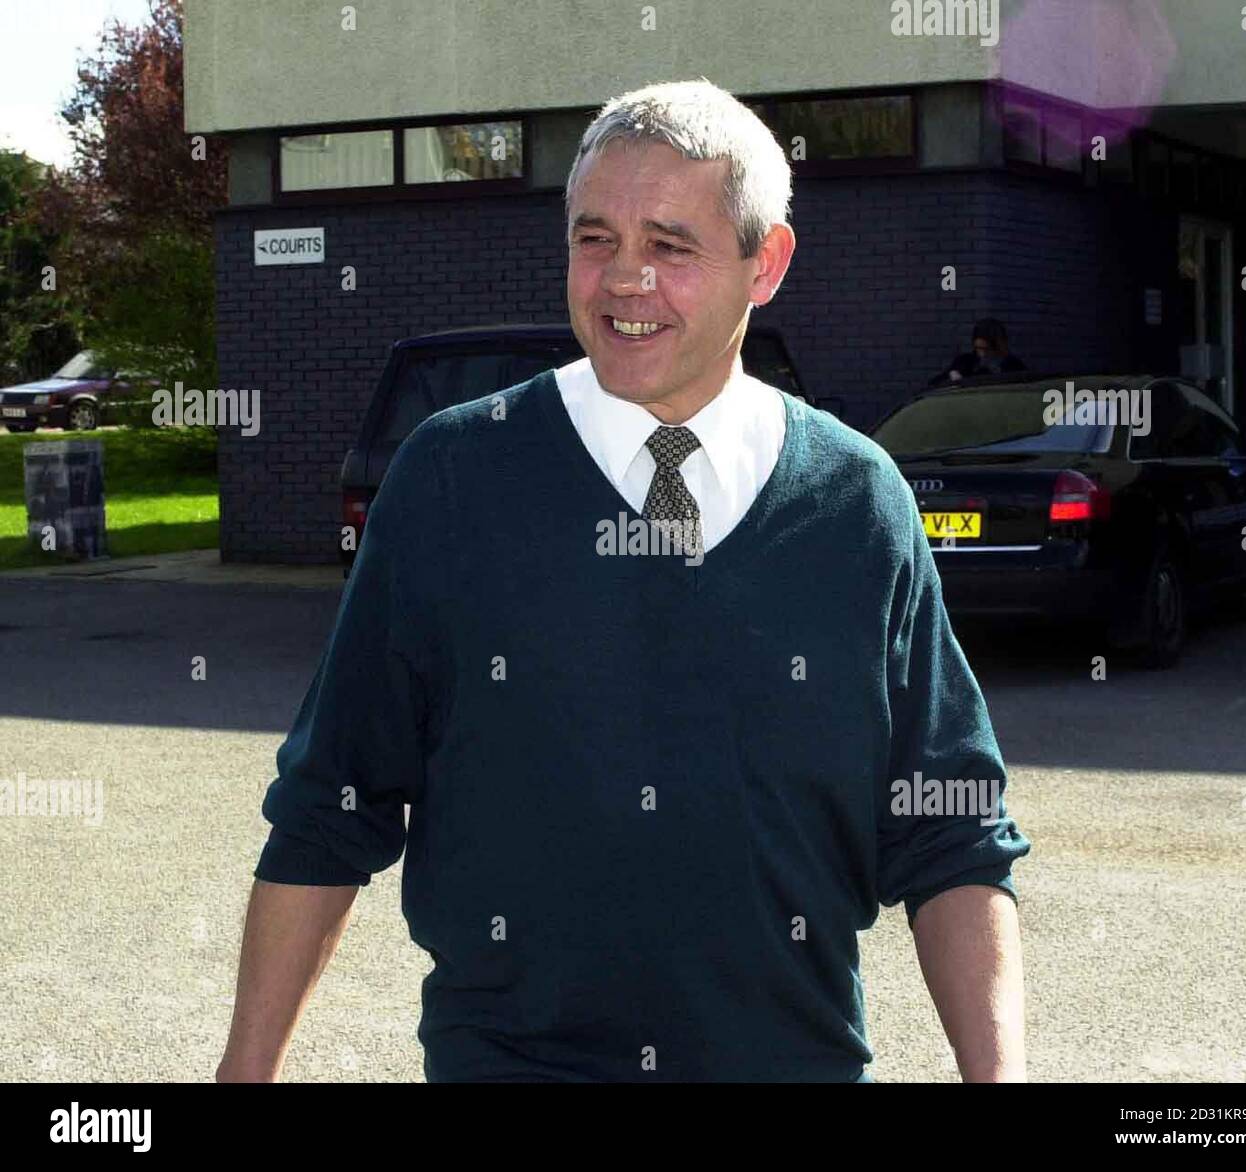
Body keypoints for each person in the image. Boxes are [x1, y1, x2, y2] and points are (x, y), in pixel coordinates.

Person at [217, 80, 1030, 1084]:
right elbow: (331, 798)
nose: (624, 281)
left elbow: (950, 828)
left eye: (672, 246)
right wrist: (242, 1072)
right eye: (595, 239)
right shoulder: (454, 478)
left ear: (764, 262)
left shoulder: (857, 501)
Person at [931, 318, 1029, 386]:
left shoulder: (1014, 365)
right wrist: (951, 376)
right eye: (979, 348)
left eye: (987, 349)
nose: (983, 354)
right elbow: (934, 383)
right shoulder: (965, 362)